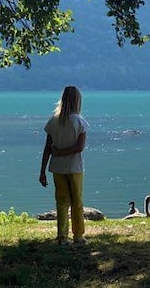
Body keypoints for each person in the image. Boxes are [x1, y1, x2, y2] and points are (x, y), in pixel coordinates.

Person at [39, 85, 89, 246]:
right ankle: (78, 236)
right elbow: (79, 148)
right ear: (77, 101)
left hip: (57, 168)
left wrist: (42, 171)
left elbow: (47, 147)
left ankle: (62, 237)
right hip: (74, 168)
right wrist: (64, 152)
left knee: (61, 202)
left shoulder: (53, 121)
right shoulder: (80, 122)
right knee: (77, 202)